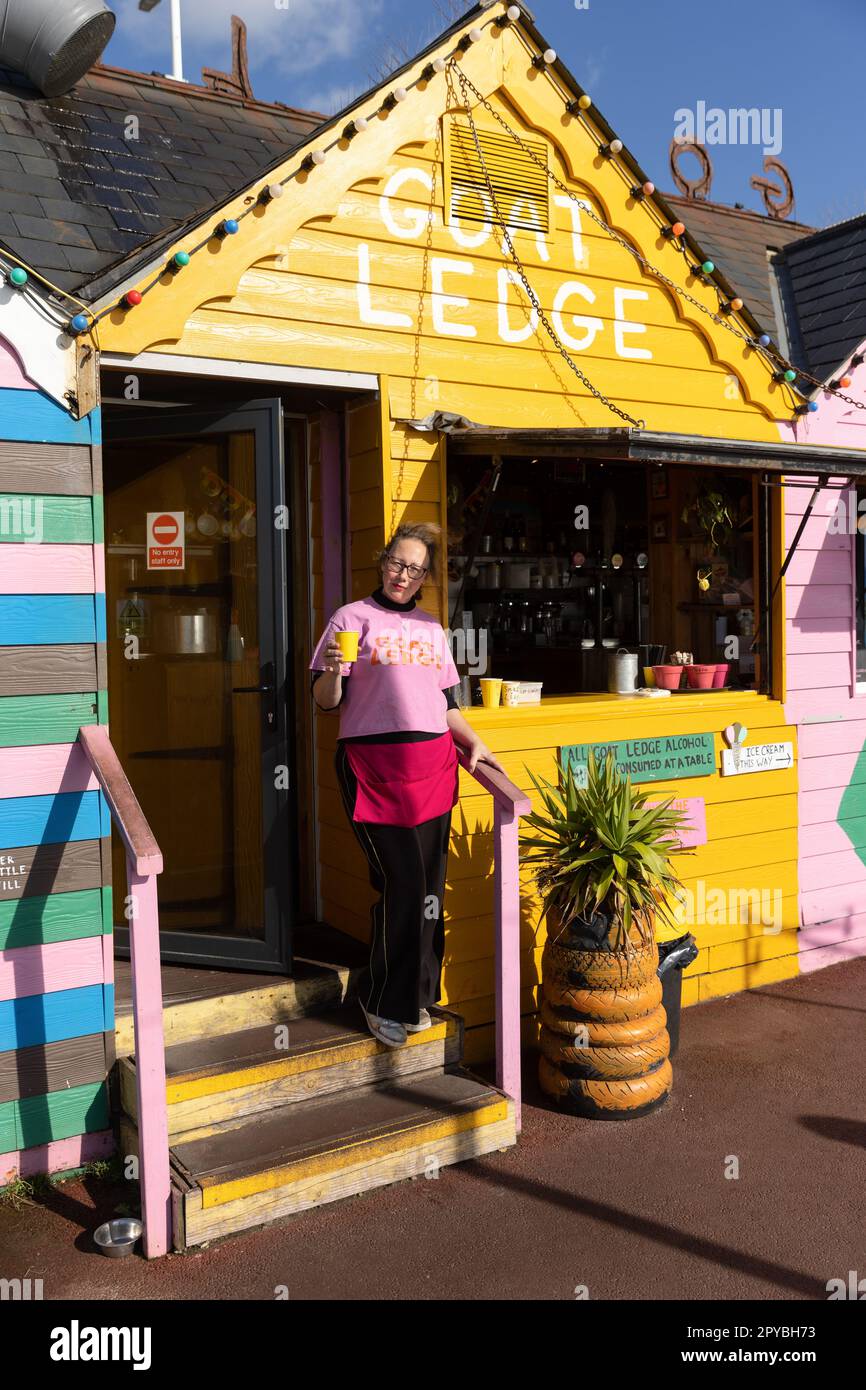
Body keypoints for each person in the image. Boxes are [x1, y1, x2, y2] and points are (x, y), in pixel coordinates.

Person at [310, 522, 504, 1048]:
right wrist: (332, 669)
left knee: (429, 891)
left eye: (415, 569)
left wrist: (474, 741)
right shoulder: (350, 619)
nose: (404, 575)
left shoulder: (431, 629)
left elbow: (446, 704)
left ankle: (418, 993)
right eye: (398, 563)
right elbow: (327, 702)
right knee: (403, 884)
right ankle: (381, 1001)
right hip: (373, 771)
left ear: (424, 579)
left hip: (434, 769)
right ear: (383, 561)